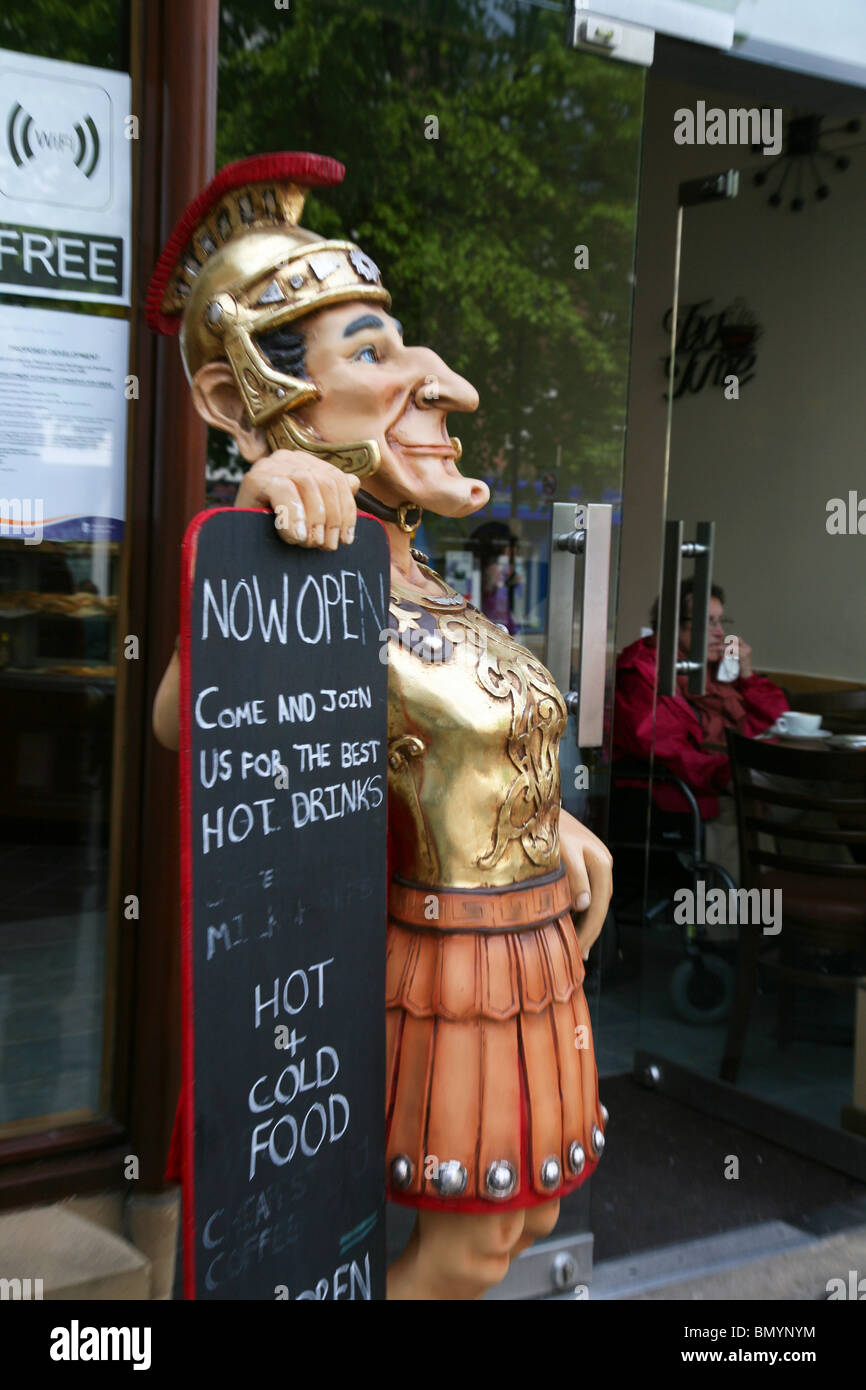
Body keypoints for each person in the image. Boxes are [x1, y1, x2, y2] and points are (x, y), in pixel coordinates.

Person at [149, 152, 612, 1300]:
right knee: (469, 1246)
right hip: (442, 958)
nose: (440, 383)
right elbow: (180, 720)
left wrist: (556, 830)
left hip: (530, 947)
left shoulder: (421, 572)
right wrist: (259, 523)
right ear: (240, 397)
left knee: (528, 1210)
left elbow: (465, 750)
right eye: (368, 352)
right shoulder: (304, 563)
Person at [612, 578, 788, 877]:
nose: (720, 633)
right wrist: (724, 773)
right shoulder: (643, 671)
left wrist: (745, 674)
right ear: (672, 625)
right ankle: (732, 920)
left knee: (816, 803)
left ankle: (828, 916)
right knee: (745, 814)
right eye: (708, 622)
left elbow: (778, 724)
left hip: (733, 778)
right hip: (681, 792)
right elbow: (662, 747)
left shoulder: (714, 670)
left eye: (721, 621)